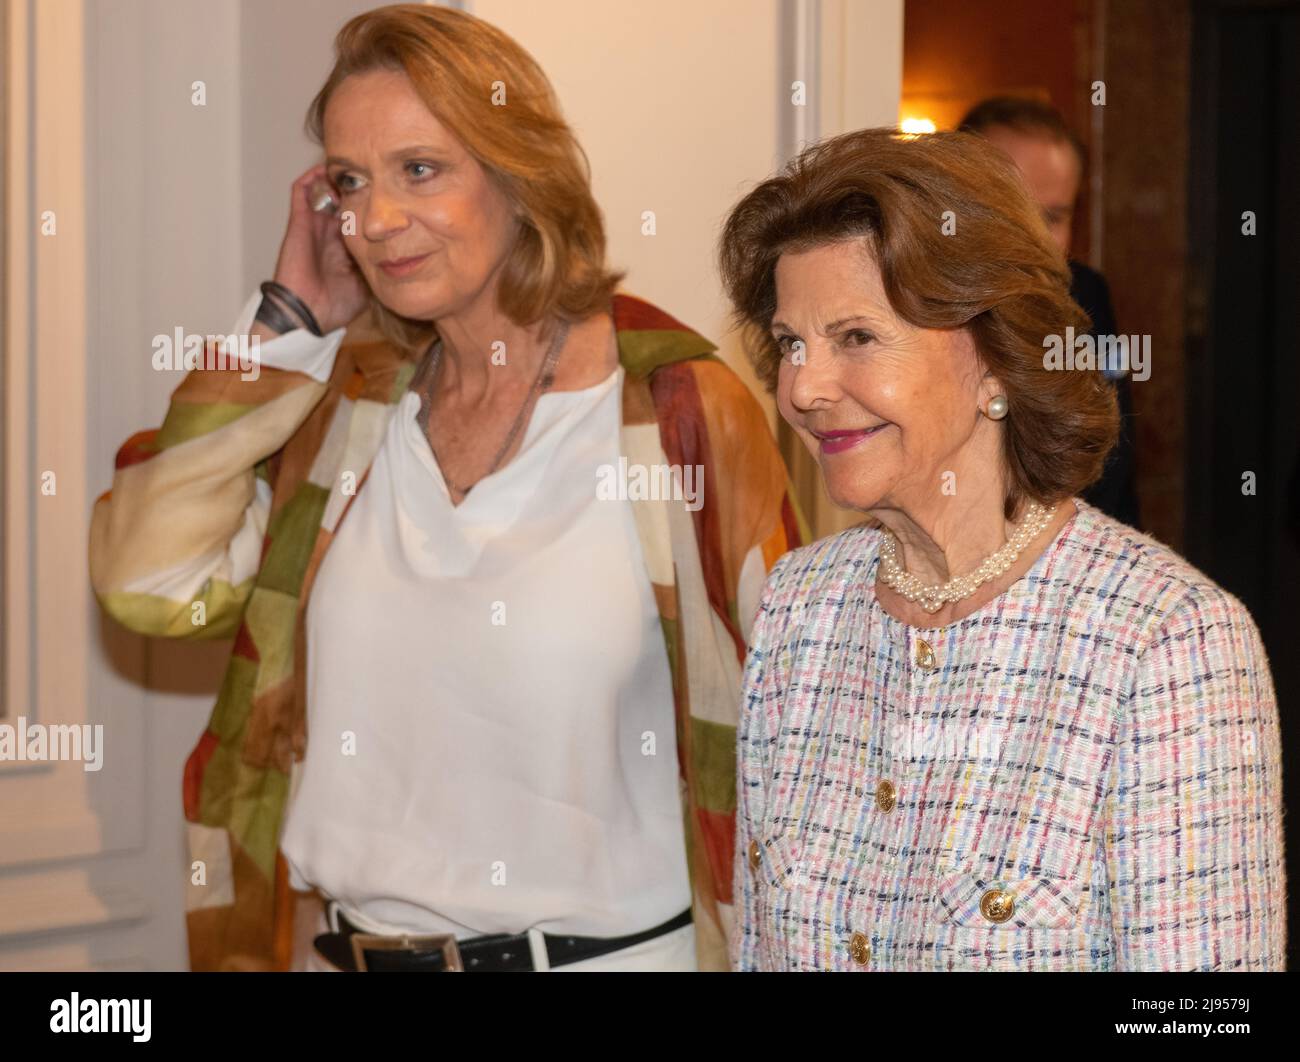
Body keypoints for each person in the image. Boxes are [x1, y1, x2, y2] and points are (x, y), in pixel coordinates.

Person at [89, 3, 801, 973]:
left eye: (419, 170)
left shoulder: (678, 412)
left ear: (521, 173)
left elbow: (802, 736)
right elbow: (149, 585)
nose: (376, 220)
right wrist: (289, 321)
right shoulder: (344, 416)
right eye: (349, 181)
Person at [718, 127, 1285, 971]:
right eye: (792, 342)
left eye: (856, 338)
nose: (802, 387)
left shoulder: (1166, 642)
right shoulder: (797, 607)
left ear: (993, 356)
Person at [959, 96, 1140, 528]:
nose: (1033, 235)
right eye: (1009, 209)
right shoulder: (906, 302)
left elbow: (1114, 445)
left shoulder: (1089, 295)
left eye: (1053, 216)